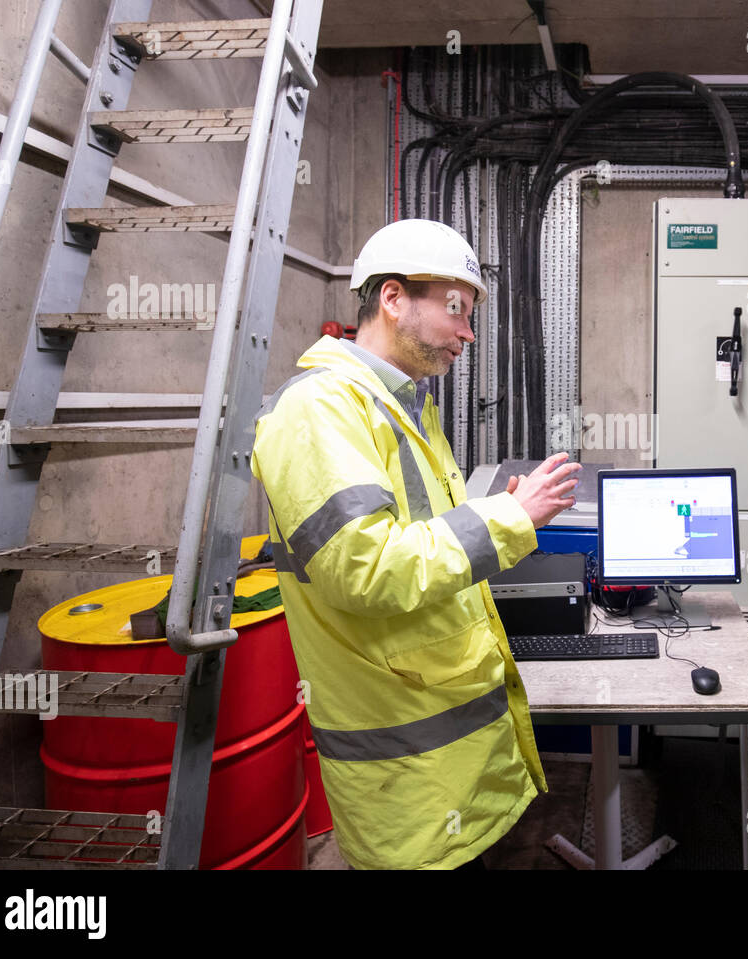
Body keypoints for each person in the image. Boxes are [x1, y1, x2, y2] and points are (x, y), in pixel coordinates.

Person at [250, 219, 581, 869]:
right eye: (457, 308)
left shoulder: (404, 407)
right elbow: (364, 569)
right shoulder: (320, 408)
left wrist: (495, 510)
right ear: (394, 298)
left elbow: (424, 542)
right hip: (405, 769)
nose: (469, 332)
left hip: (451, 755)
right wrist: (509, 517)